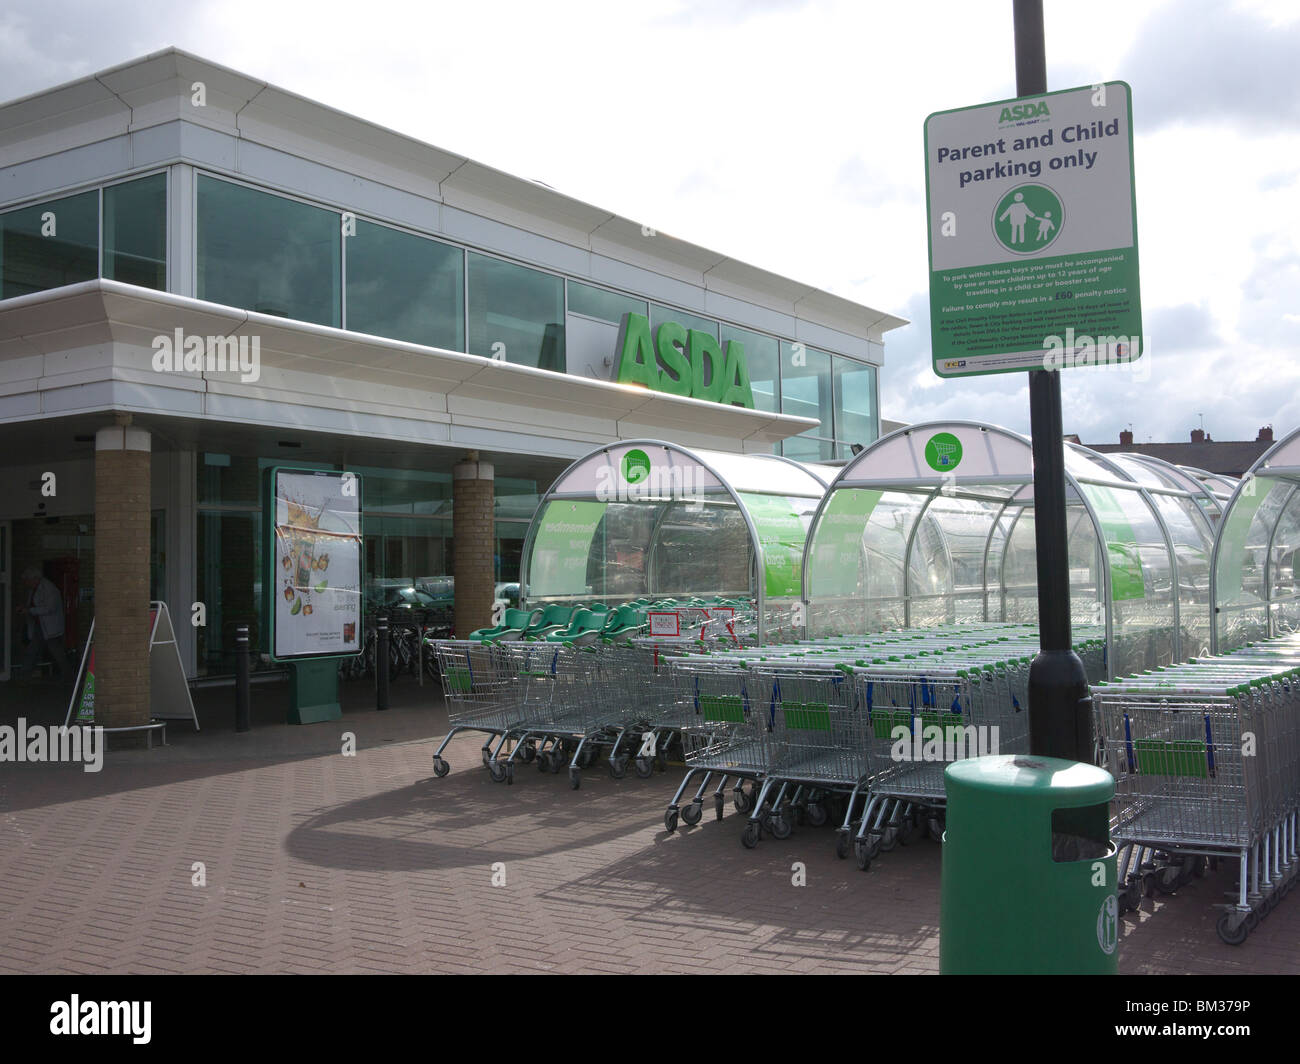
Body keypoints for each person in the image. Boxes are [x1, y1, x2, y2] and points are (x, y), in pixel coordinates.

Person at [16, 565, 67, 683]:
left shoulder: (49, 589)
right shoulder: (34, 589)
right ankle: (24, 674)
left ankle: (68, 676)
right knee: (33, 650)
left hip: (50, 627)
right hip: (40, 626)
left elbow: (49, 608)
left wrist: (29, 610)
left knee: (56, 652)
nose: (26, 584)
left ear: (34, 579)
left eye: (27, 581)